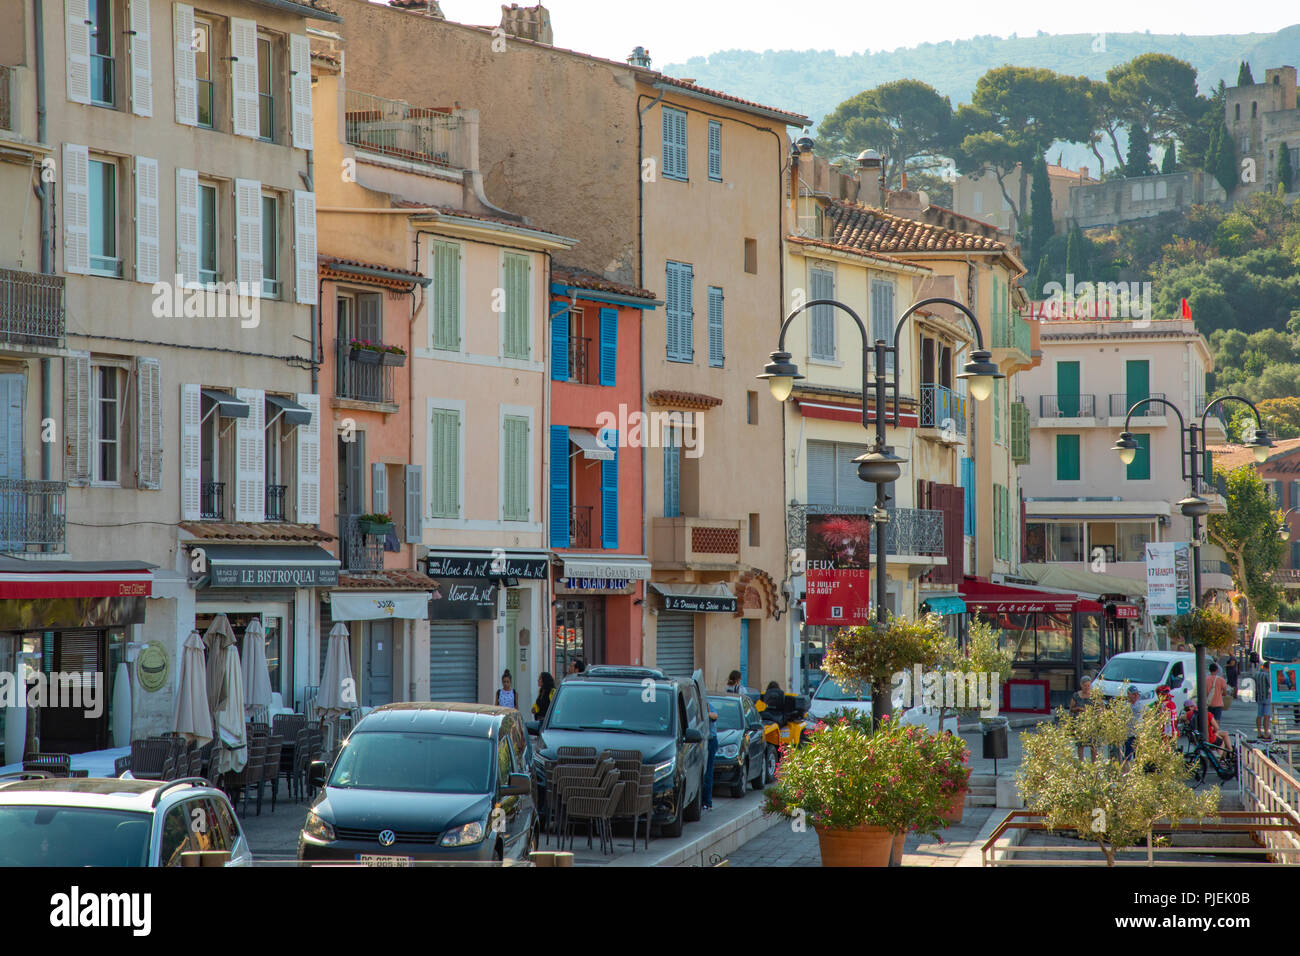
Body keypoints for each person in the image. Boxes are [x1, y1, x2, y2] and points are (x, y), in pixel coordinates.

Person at [1069, 676, 1096, 761]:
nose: (1087, 688)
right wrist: (1079, 709)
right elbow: (1071, 708)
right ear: (1081, 685)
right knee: (1080, 744)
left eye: (1088, 685)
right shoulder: (1076, 695)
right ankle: (1081, 763)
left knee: (1093, 744)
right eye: (1085, 686)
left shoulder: (1094, 696)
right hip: (1080, 723)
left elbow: (1100, 707)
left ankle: (1094, 764)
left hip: (1091, 723)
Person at [1250, 653, 1272, 742]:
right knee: (1266, 716)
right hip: (1266, 696)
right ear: (1268, 668)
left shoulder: (1257, 674)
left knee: (1259, 715)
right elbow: (1270, 685)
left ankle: (1259, 732)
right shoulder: (1267, 675)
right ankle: (1266, 733)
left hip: (1259, 696)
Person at [702, 700, 719, 811]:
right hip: (700, 741)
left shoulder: (706, 704)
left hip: (710, 741)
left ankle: (707, 802)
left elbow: (715, 715)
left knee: (708, 773)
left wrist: (706, 713)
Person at [1124, 685, 1143, 760]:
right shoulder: (1124, 706)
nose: (1136, 696)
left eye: (1137, 694)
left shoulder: (1140, 705)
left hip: (1138, 734)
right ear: (1129, 694)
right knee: (1127, 756)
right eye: (1134, 694)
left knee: (1138, 756)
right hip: (1128, 735)